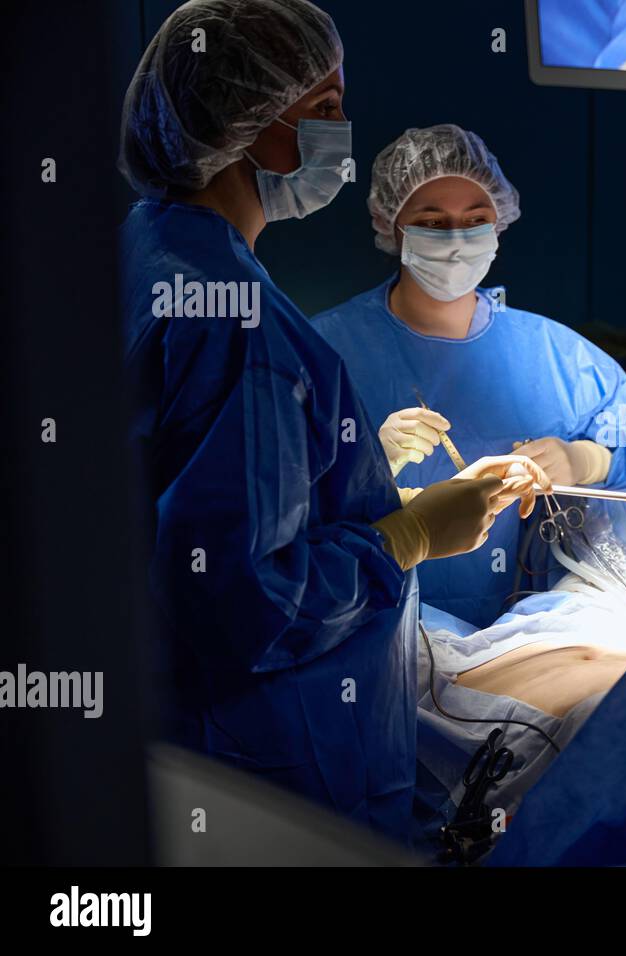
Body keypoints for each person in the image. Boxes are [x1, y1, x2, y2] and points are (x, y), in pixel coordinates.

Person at [118, 0, 546, 842]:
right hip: (263, 763)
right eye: (324, 107)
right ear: (248, 124)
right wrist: (408, 536)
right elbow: (245, 602)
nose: (340, 132)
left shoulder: (146, 251)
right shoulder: (240, 327)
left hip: (169, 735)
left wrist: (352, 481)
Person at [312, 124, 626, 627]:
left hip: (522, 628)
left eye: (476, 220)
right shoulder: (327, 348)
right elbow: (276, 506)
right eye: (432, 222)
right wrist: (368, 462)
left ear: (499, 224)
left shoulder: (549, 352)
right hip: (372, 623)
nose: (457, 238)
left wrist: (585, 459)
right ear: (390, 223)